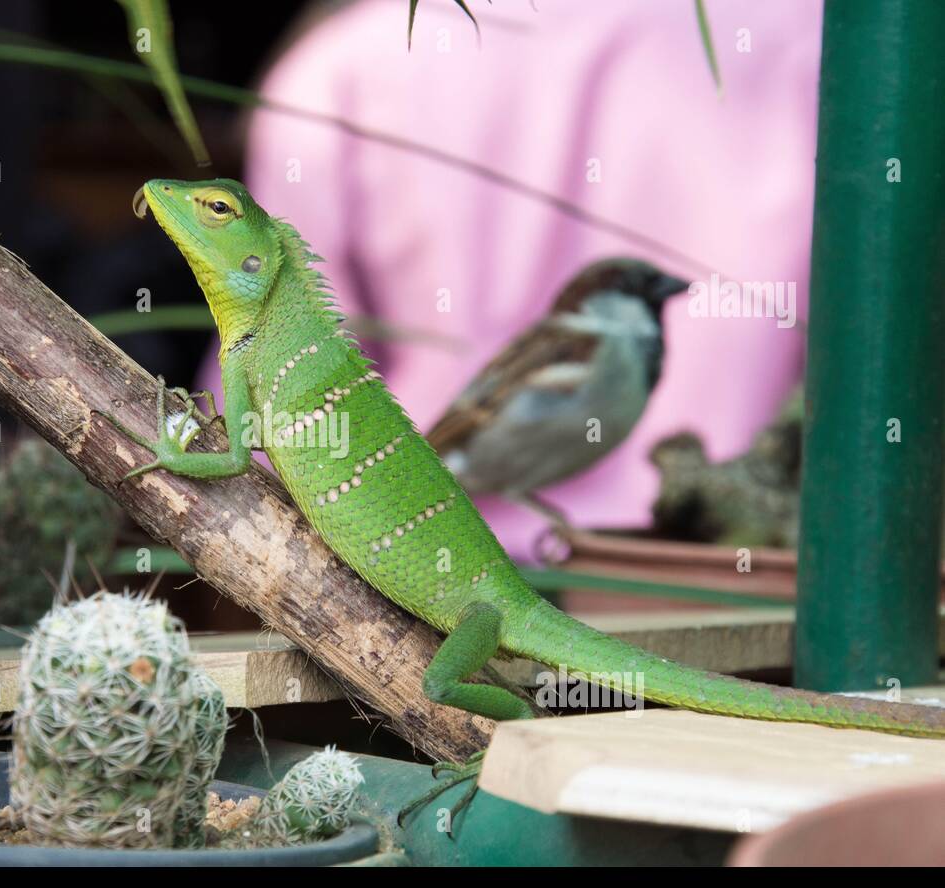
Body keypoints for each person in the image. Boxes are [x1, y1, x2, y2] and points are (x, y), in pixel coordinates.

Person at [209, 0, 818, 561]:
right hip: (721, 569)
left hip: (417, 554)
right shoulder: (823, 40)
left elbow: (271, 395)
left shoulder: (344, 65)